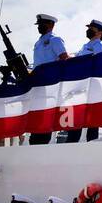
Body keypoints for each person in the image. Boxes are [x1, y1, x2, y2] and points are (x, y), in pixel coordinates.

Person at [29, 13, 68, 144]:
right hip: (38, 83)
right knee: (37, 112)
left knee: (46, 113)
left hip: (50, 83)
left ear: (51, 25)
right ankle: (35, 138)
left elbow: (64, 58)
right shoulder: (38, 42)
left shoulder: (55, 40)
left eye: (42, 24)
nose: (39, 27)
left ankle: (43, 140)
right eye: (38, 25)